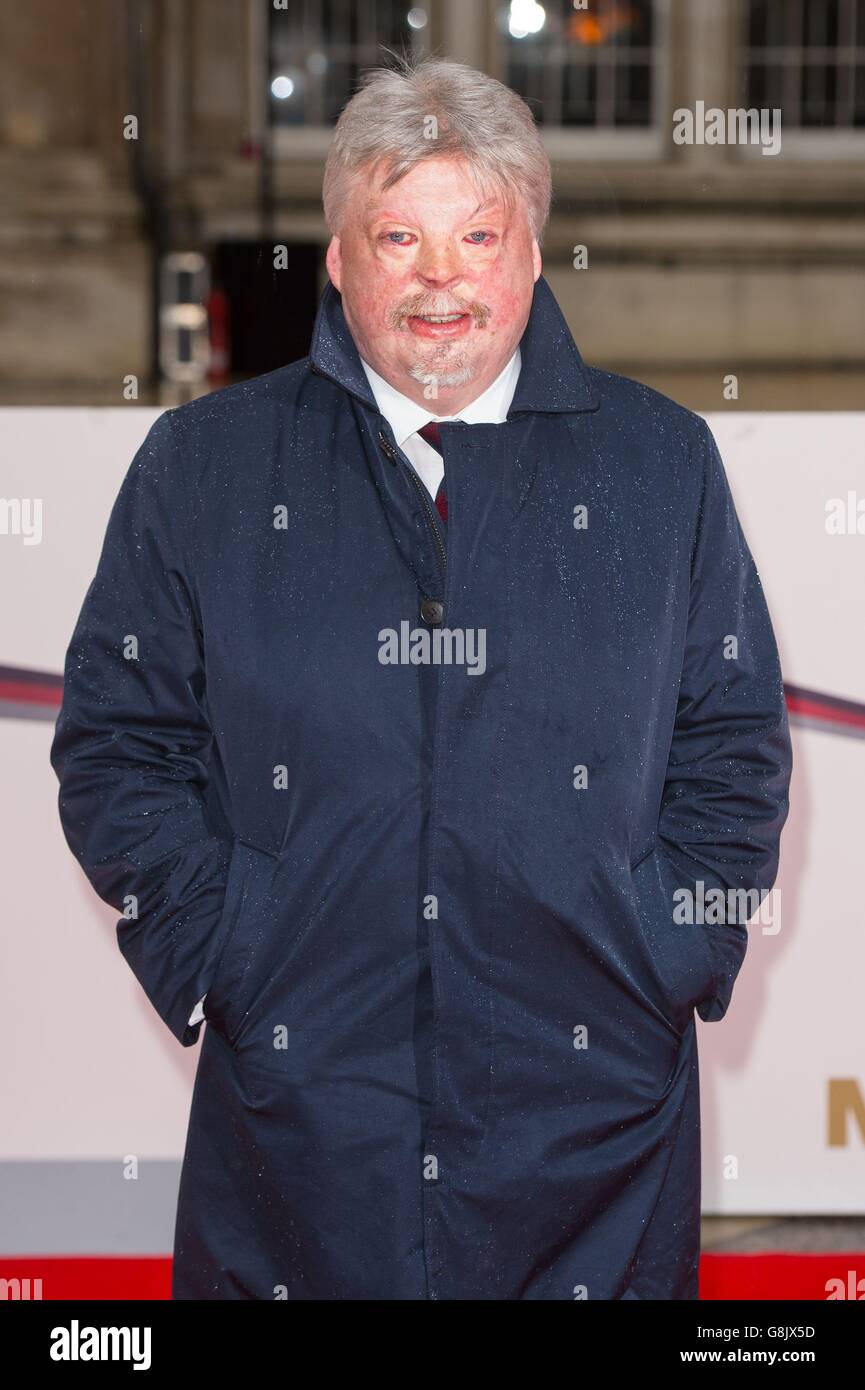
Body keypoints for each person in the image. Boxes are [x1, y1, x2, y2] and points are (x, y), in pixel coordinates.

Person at [50, 55, 792, 1300]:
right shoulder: (205, 469)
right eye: (397, 234)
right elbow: (119, 745)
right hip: (298, 1133)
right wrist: (227, 947)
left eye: (477, 233)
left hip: (593, 1130)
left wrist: (662, 959)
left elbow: (733, 749)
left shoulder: (662, 469)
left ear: (532, 251)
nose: (440, 278)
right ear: (337, 261)